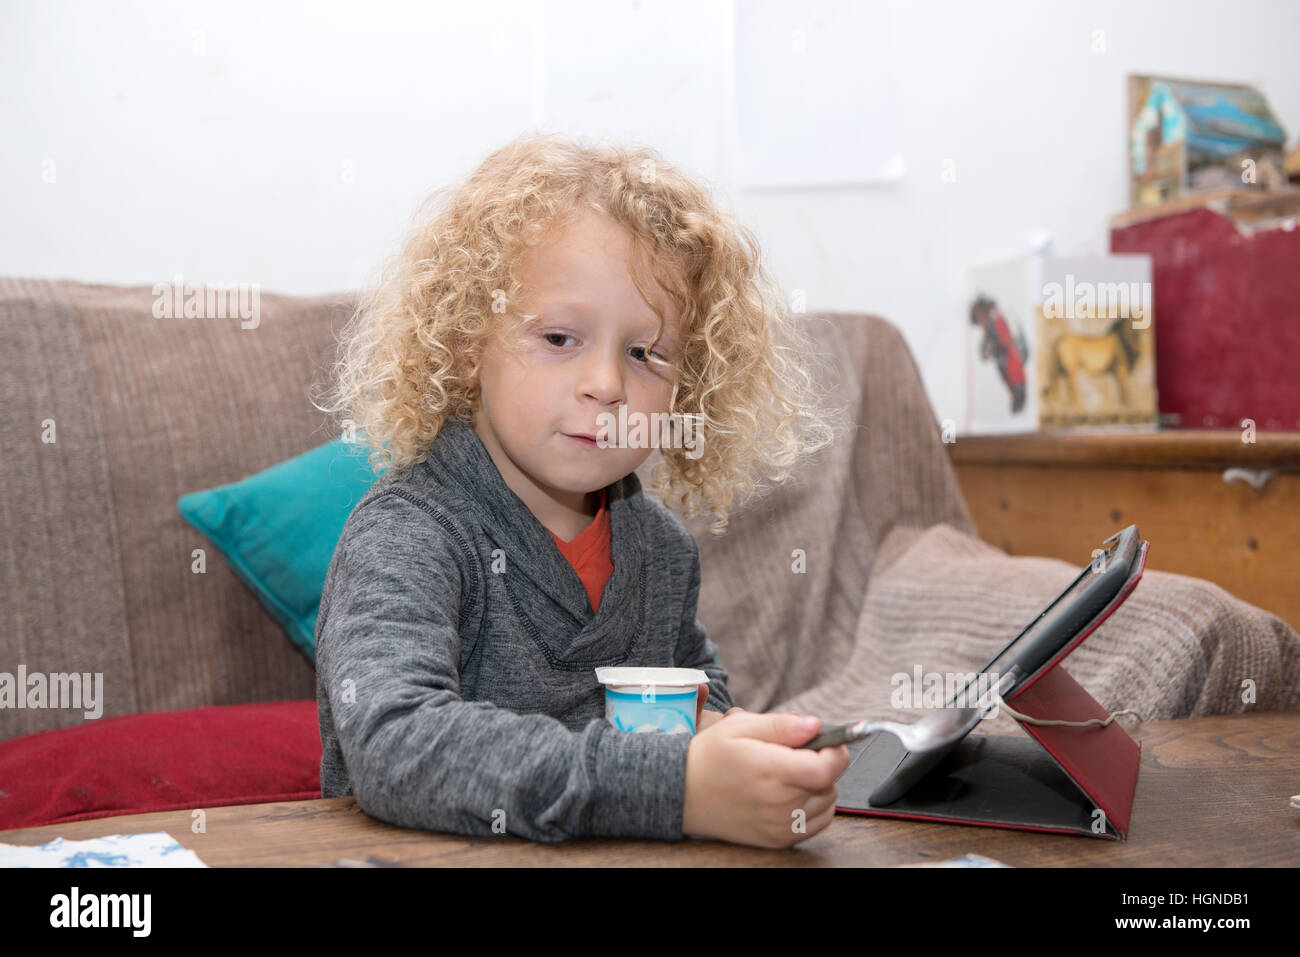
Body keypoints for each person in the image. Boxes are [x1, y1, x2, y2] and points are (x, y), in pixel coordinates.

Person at [311, 131, 850, 849]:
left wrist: (743, 748)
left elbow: (696, 691)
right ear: (469, 343)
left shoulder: (658, 548)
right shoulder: (409, 533)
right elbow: (396, 745)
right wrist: (676, 787)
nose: (607, 383)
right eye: (560, 338)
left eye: (644, 352)